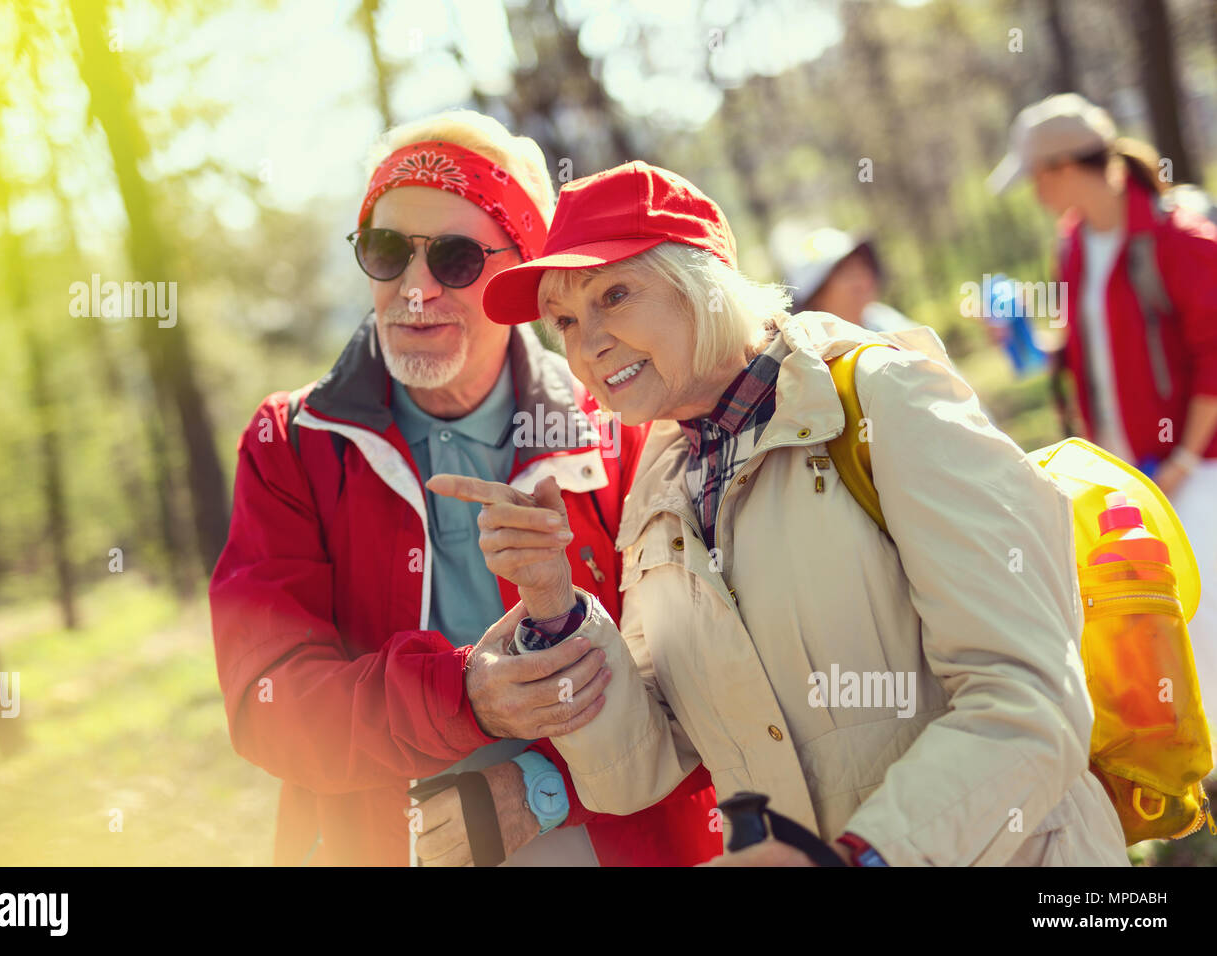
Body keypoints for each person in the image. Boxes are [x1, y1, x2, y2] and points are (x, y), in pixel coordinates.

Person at [431, 160, 1131, 865]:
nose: (588, 344)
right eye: (565, 321)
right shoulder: (660, 481)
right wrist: (554, 604)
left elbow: (1032, 704)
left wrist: (861, 854)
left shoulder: (886, 399)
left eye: (614, 294)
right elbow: (638, 770)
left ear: (700, 284)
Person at [209, 112, 719, 866]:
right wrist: (463, 697)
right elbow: (269, 702)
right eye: (387, 253)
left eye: (454, 259)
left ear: (522, 278)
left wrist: (544, 788)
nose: (414, 290)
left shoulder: (622, 426)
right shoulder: (289, 444)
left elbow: (706, 677)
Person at [989, 93, 1217, 743]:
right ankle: (1187, 766)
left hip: (1193, 468)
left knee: (1204, 617)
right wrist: (1026, 342)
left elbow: (1213, 358)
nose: (1033, 191)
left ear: (1062, 168)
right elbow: (1090, 343)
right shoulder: (1075, 246)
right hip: (1126, 472)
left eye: (1034, 176)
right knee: (1155, 626)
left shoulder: (1180, 240)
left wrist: (1177, 462)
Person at [770, 226, 917, 334]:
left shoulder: (887, 323)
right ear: (816, 296)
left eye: (864, 267)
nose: (863, 282)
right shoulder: (805, 358)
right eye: (849, 273)